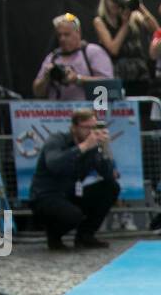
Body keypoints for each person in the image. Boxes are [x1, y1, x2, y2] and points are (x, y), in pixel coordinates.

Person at [29, 107, 120, 251]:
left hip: (70, 193)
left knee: (111, 187)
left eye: (94, 128)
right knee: (73, 215)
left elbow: (108, 174)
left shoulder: (92, 146)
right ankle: (54, 236)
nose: (91, 132)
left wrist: (105, 147)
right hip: (46, 197)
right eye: (87, 128)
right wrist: (83, 147)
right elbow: (55, 165)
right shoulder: (57, 140)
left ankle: (85, 236)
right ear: (74, 127)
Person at [92, 0, 159, 96]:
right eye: (113, 0)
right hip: (118, 72)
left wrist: (138, 6)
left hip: (139, 71)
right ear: (105, 0)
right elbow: (113, 49)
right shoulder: (100, 21)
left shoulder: (134, 16)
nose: (116, 4)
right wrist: (125, 24)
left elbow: (156, 31)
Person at [32, 14, 114, 100]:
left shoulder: (93, 52)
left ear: (78, 33)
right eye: (59, 35)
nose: (62, 39)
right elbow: (37, 92)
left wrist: (78, 79)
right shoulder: (53, 57)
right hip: (57, 111)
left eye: (66, 34)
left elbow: (109, 84)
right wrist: (46, 78)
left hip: (87, 110)